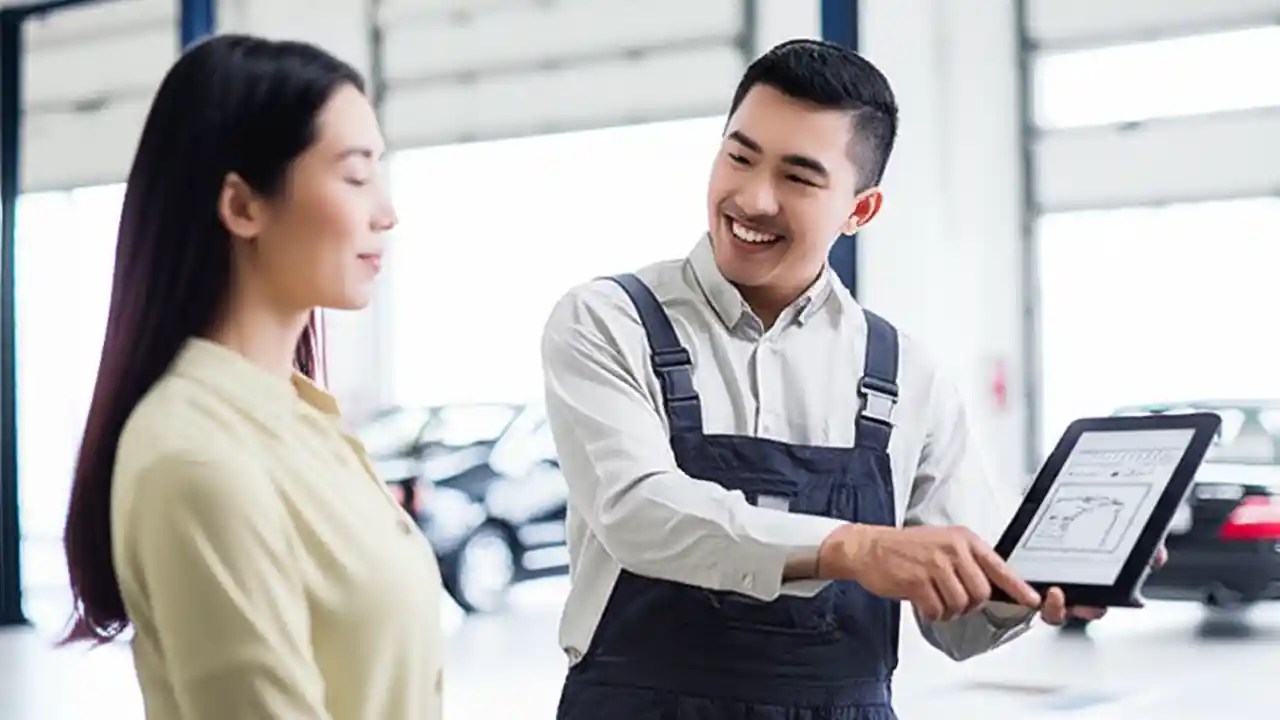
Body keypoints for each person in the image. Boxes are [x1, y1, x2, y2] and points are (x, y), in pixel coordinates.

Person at [541, 39, 1156, 719]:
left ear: (860, 211)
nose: (753, 198)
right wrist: (851, 548)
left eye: (798, 178)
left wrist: (1027, 588)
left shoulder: (907, 374)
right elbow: (637, 511)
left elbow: (957, 628)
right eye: (739, 157)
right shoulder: (607, 321)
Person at [60, 34, 443, 720]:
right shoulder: (197, 458)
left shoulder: (299, 419)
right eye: (356, 176)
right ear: (241, 206)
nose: (387, 212)